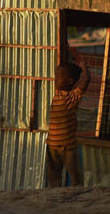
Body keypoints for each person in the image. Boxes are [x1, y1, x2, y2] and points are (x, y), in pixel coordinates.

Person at [46, 57, 90, 187]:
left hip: (66, 146)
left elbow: (86, 80)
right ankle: (56, 195)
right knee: (55, 175)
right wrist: (81, 68)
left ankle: (75, 194)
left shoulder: (72, 98)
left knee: (75, 177)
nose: (55, 80)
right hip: (53, 146)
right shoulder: (59, 93)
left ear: (69, 81)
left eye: (58, 78)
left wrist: (83, 67)